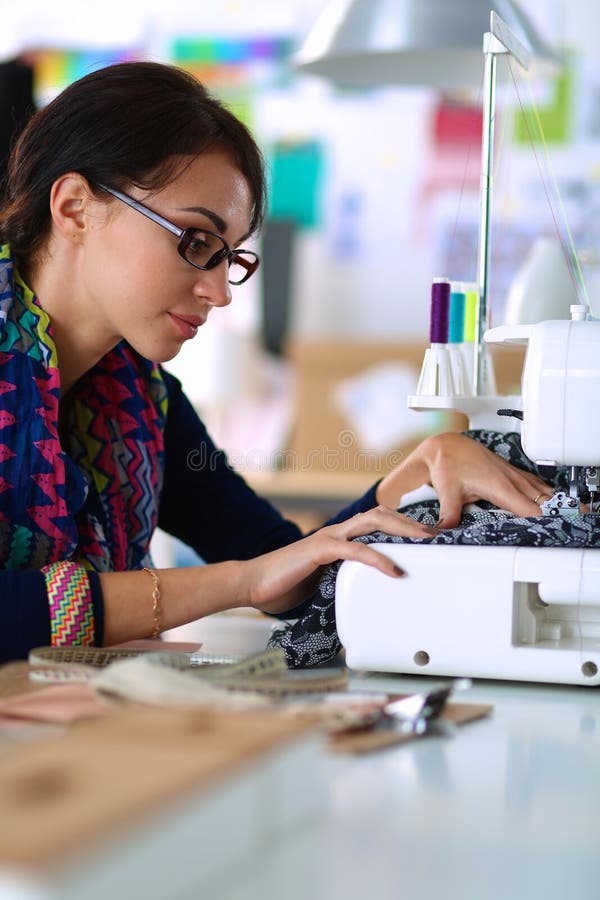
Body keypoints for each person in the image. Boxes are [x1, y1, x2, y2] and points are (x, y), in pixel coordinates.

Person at [0, 60, 447, 664]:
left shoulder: (141, 396)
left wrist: (414, 476)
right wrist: (239, 582)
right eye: (195, 243)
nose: (220, 291)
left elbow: (283, 565)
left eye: (228, 258)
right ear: (76, 207)